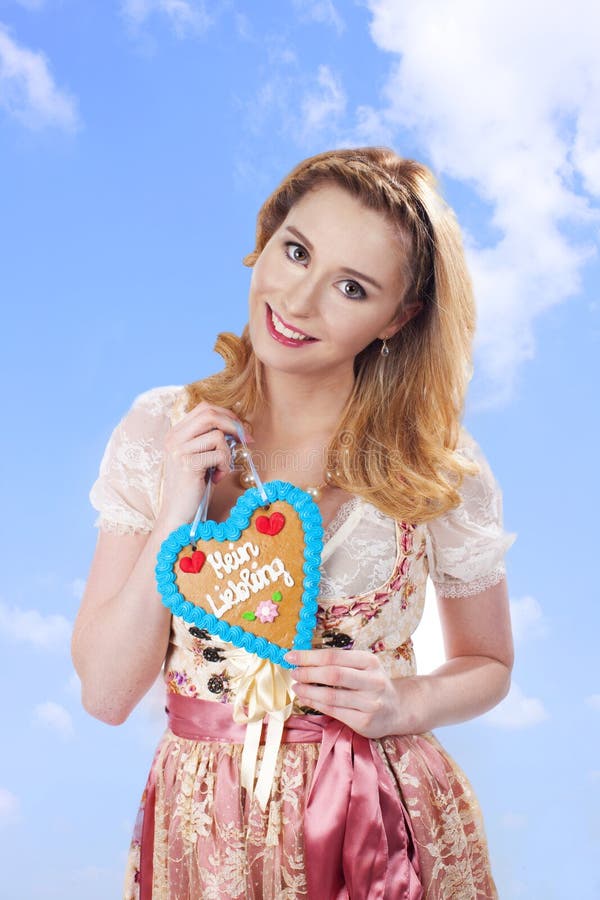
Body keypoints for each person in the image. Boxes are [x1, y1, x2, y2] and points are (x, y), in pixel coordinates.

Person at [72, 146, 516, 899]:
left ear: (397, 317)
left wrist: (408, 701)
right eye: (296, 250)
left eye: (350, 286)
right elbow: (107, 695)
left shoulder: (438, 464)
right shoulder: (159, 431)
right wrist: (178, 511)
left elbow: (491, 664)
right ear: (267, 237)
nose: (300, 301)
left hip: (385, 815)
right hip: (205, 829)